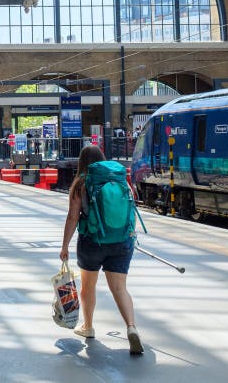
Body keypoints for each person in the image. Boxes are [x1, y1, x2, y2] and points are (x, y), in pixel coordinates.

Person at [60, 145, 143, 354]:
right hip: (121, 241)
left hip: (92, 242)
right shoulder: (120, 180)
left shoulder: (81, 183)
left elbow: (73, 217)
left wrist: (65, 246)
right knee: (120, 288)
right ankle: (131, 327)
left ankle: (88, 327)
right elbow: (131, 210)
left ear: (82, 162)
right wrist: (130, 235)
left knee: (88, 287)